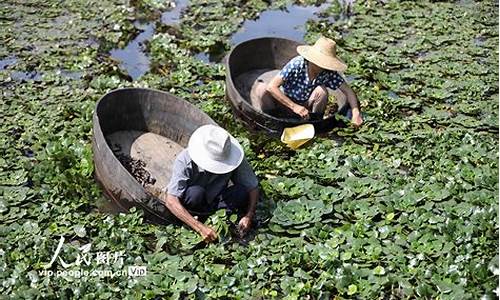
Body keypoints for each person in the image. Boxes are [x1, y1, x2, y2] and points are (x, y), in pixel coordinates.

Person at [161, 124, 259, 243]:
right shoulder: (185, 160)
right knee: (196, 192)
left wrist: (249, 215)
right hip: (193, 202)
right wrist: (199, 227)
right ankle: (197, 217)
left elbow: (252, 187)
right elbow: (171, 200)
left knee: (241, 192)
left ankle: (217, 216)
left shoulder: (232, 155)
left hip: (218, 200)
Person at [251, 36, 363, 126]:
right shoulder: (297, 64)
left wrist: (355, 113)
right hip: (283, 101)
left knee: (322, 91)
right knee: (261, 89)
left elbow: (348, 91)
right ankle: (272, 120)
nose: (323, 65)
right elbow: (272, 87)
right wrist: (294, 107)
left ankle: (314, 123)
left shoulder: (328, 72)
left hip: (305, 108)